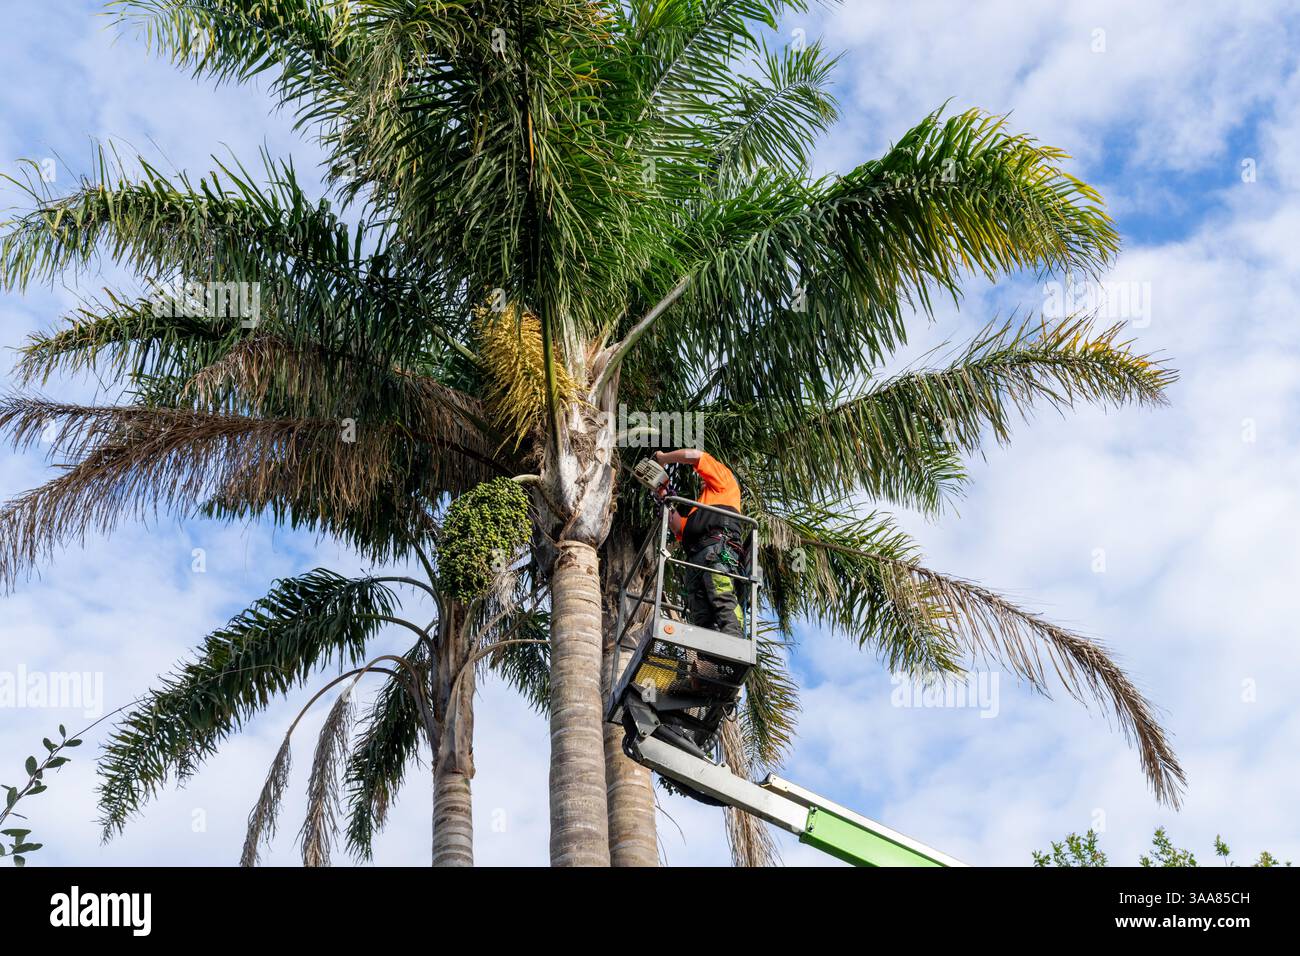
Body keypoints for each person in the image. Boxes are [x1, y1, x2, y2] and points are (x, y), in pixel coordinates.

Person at [652, 448, 747, 638]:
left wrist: (663, 458)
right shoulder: (701, 507)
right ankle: (709, 661)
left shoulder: (725, 480)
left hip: (717, 550)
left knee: (722, 598)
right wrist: (662, 493)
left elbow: (695, 456)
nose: (702, 478)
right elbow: (679, 528)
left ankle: (734, 640)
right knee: (701, 615)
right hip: (697, 558)